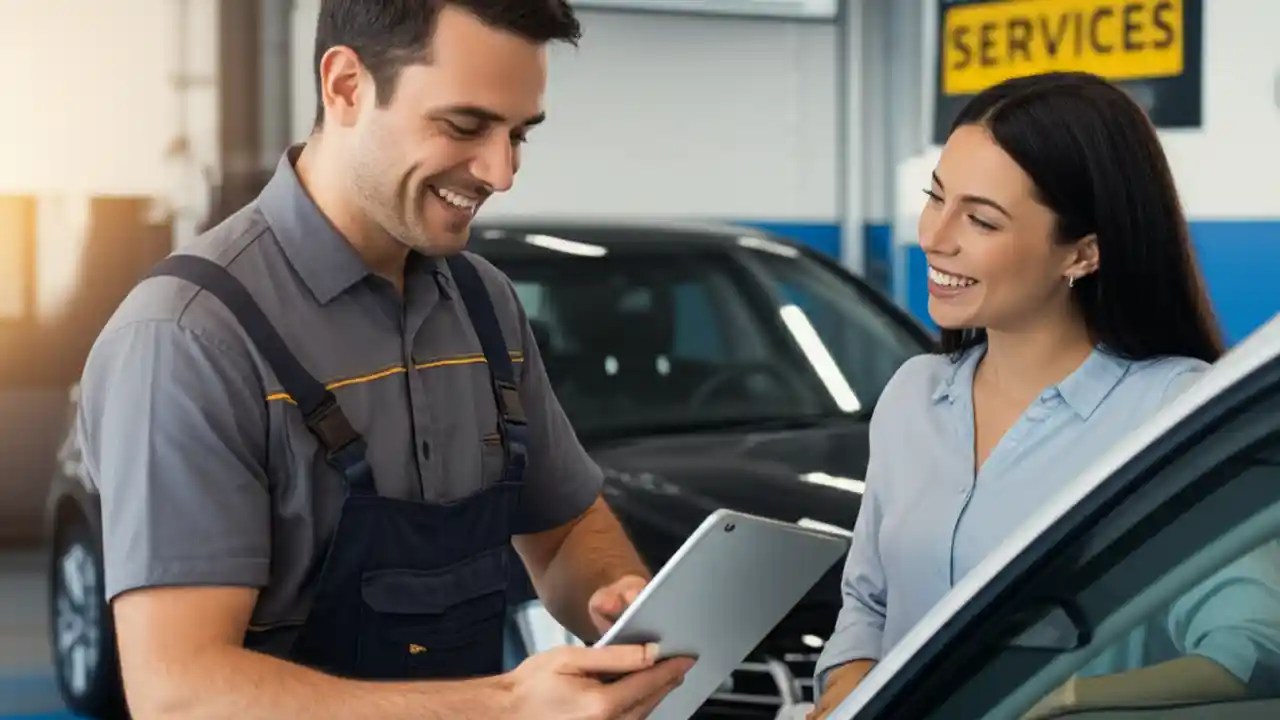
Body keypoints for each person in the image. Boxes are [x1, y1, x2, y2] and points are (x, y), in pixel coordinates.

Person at [76, 1, 693, 718]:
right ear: (345, 86)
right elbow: (181, 694)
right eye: (464, 126)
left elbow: (561, 537)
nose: (501, 172)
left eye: (518, 134)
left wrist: (612, 596)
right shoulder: (189, 341)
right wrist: (505, 707)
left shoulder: (483, 305)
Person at [807, 71, 1239, 718]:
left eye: (980, 219)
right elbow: (868, 606)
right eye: (936, 197)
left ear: (1083, 254)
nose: (934, 235)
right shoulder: (912, 397)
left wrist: (1064, 698)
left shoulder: (1175, 411)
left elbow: (1246, 654)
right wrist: (847, 693)